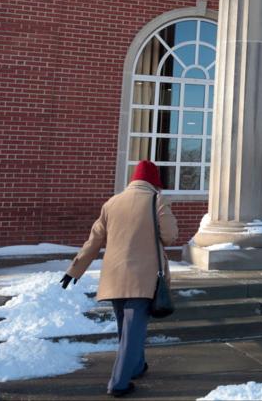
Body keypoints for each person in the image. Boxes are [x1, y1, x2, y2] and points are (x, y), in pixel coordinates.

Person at [62, 159, 178, 397]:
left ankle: (136, 366)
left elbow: (94, 241)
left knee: (127, 332)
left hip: (114, 277)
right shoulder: (157, 200)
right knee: (133, 332)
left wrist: (74, 270)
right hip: (143, 278)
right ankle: (118, 383)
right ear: (155, 181)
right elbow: (170, 236)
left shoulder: (111, 203)